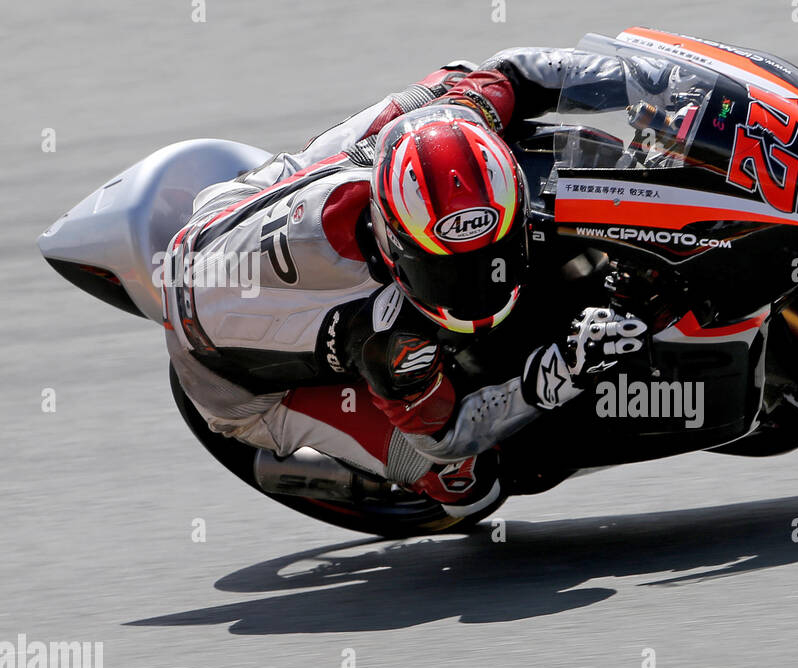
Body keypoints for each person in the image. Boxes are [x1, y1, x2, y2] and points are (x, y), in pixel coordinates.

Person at [163, 49, 646, 518]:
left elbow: (515, 70)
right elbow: (446, 433)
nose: (474, 286)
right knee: (468, 482)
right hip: (225, 377)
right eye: (443, 271)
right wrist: (563, 371)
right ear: (394, 243)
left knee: (445, 84)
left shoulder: (451, 119)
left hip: (228, 209)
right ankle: (340, 472)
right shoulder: (380, 333)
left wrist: (639, 79)